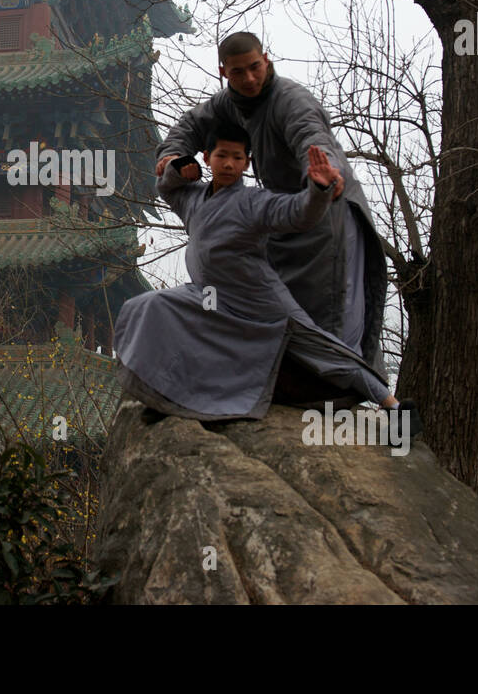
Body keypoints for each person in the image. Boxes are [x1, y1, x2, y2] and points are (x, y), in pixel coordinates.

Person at [115, 120, 415, 425]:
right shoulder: (193, 197)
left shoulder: (253, 202)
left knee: (322, 351)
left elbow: (298, 213)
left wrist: (319, 190)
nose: (229, 164)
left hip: (258, 299)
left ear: (247, 163)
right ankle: (168, 396)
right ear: (206, 157)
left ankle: (392, 407)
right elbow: (166, 188)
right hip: (209, 296)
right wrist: (177, 168)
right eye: (222, 156)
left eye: (237, 157)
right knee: (150, 307)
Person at [156, 31, 388, 373]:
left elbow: (312, 136)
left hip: (325, 207)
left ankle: (343, 392)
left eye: (255, 67)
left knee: (328, 312)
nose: (249, 79)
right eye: (238, 72)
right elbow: (192, 123)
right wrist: (173, 153)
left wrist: (322, 177)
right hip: (279, 215)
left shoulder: (291, 100)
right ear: (225, 73)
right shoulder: (228, 103)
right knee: (280, 306)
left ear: (267, 61)